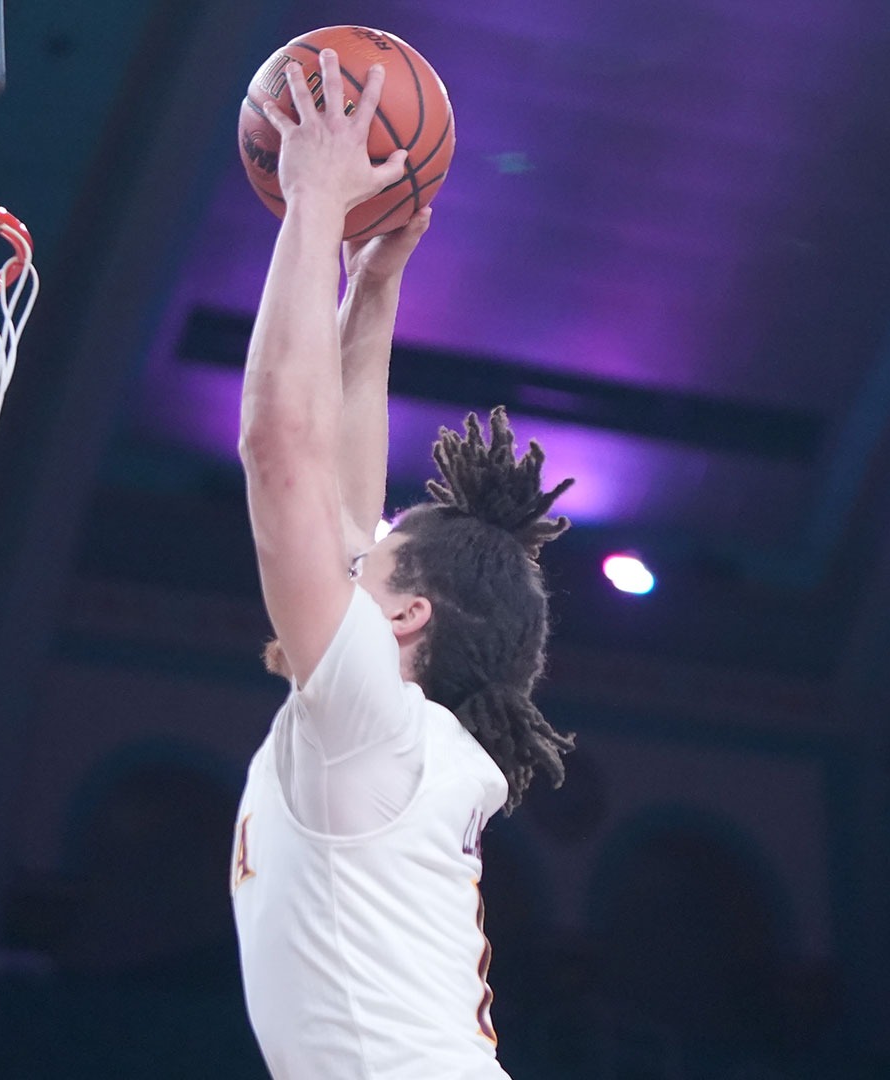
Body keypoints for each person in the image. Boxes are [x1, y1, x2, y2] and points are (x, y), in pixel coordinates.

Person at [229, 48, 577, 1079]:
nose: (350, 543)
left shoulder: (368, 722)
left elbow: (280, 449)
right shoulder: (387, 735)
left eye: (368, 558)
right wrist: (371, 287)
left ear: (408, 617)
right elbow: (330, 481)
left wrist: (314, 204)